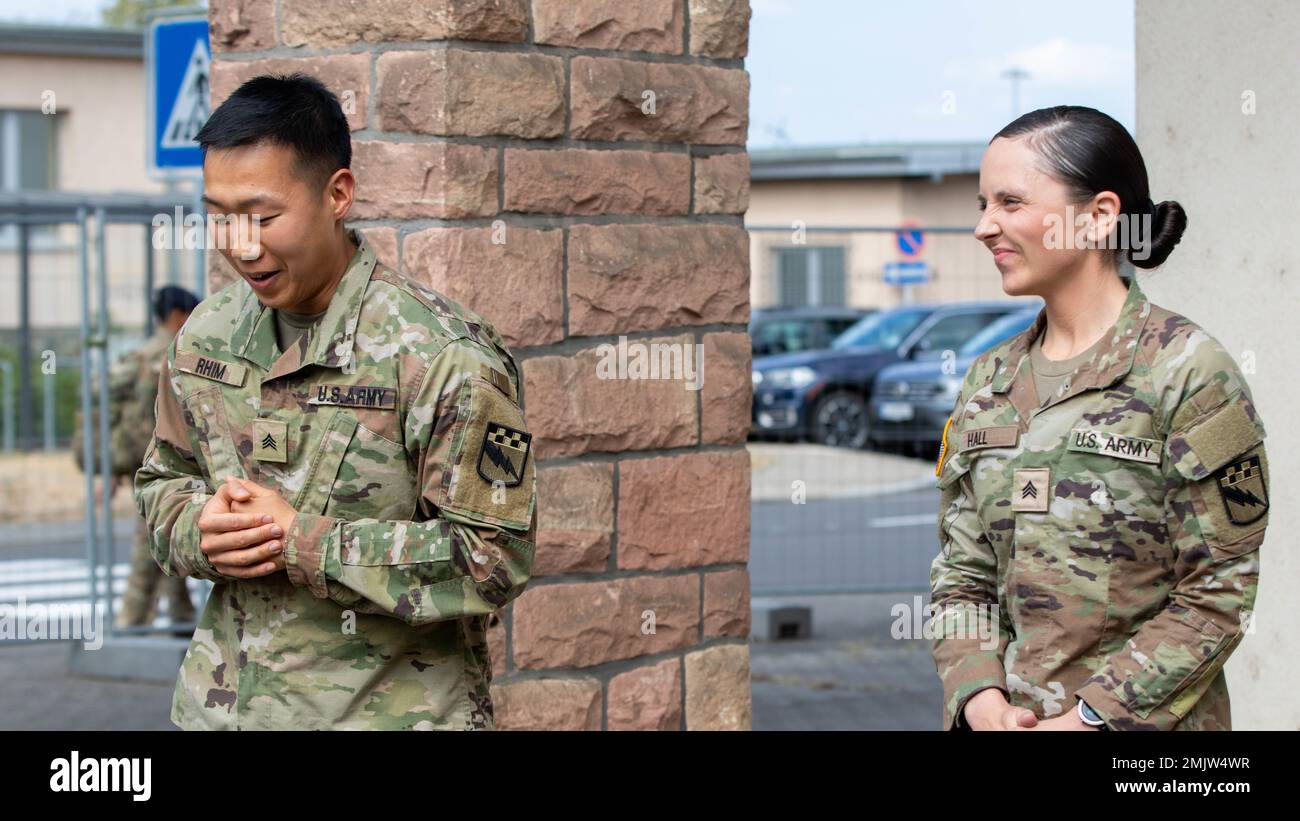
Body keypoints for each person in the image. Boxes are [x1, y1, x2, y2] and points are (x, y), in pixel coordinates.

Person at [134, 73, 536, 730]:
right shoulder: (203, 339)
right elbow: (161, 482)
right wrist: (196, 529)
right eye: (218, 217)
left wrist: (303, 541)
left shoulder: (443, 358)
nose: (239, 245)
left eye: (262, 217)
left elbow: (496, 558)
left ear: (337, 194)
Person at [930, 106, 1268, 731]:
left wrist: (1090, 719)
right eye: (983, 203)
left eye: (1010, 201)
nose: (984, 226)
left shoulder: (1188, 371)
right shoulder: (988, 381)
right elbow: (962, 573)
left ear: (1099, 216)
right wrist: (980, 700)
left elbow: (1218, 594)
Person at [72, 285, 199, 628]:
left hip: (143, 462)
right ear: (177, 316)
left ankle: (181, 614)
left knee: (165, 533)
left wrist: (112, 464)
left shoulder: (139, 355)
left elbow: (110, 407)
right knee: (153, 540)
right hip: (165, 463)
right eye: (190, 313)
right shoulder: (175, 352)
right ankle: (131, 620)